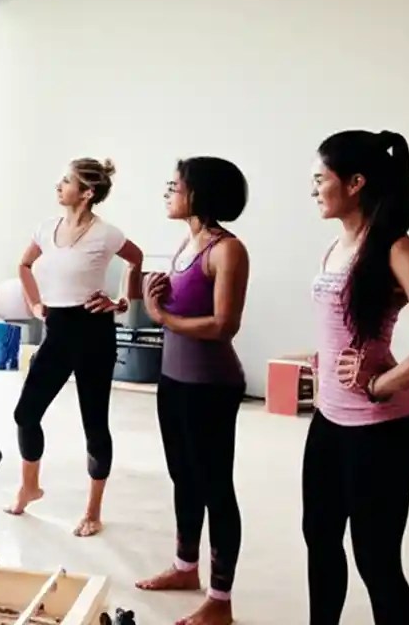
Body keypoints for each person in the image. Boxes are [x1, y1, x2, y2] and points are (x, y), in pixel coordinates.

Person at [303, 130, 409, 625]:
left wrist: (381, 383)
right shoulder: (337, 245)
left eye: (320, 179)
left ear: (355, 183)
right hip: (329, 420)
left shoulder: (397, 249)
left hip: (381, 431)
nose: (313, 189)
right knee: (320, 540)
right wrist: (323, 360)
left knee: (375, 559)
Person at [135, 157, 250, 625]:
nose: (168, 193)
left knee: (215, 487)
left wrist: (162, 316)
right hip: (174, 381)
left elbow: (223, 325)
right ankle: (185, 568)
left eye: (175, 186)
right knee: (183, 477)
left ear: (199, 194)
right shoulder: (186, 243)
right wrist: (154, 299)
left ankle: (220, 600)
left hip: (211, 387)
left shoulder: (228, 250)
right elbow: (180, 308)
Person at [7, 157, 143, 537]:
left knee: (94, 425)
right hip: (57, 330)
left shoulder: (107, 234)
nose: (58, 185)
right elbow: (24, 266)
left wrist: (122, 302)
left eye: (66, 181)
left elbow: (136, 260)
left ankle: (93, 511)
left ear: (86, 193)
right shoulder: (45, 229)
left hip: (94, 332)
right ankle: (29, 487)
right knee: (25, 414)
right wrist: (36, 305)